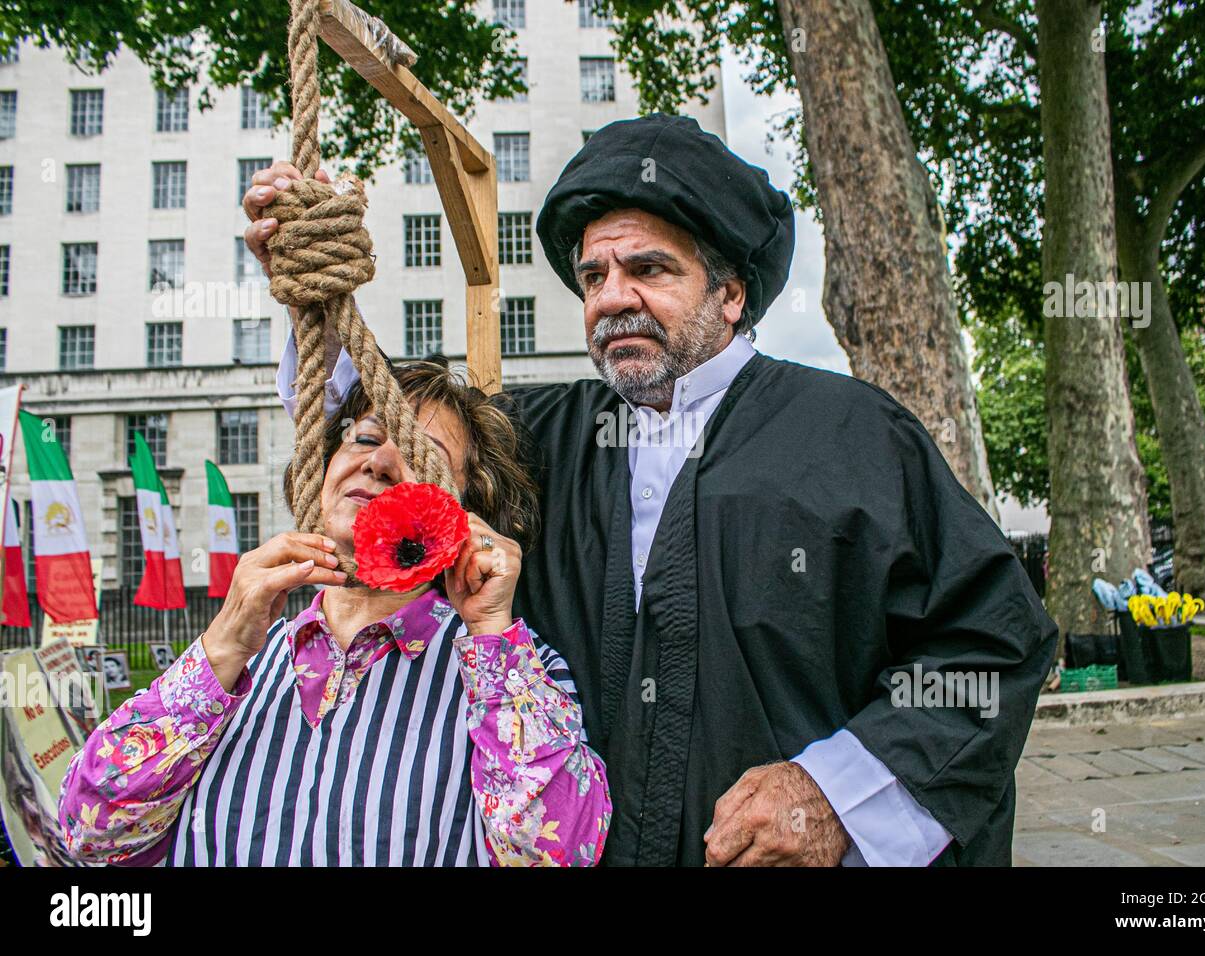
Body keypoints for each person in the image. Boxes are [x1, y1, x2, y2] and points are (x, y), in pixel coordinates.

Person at [259, 114, 1057, 866]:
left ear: (731, 295)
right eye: (594, 275)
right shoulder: (537, 436)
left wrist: (836, 797)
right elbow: (378, 437)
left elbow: (990, 646)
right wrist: (309, 282)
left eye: (648, 269)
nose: (611, 297)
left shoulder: (851, 434)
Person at [58, 360, 612, 866]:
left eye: (424, 457)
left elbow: (556, 852)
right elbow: (91, 834)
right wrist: (221, 647)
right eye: (363, 439)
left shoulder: (515, 672)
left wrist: (491, 632)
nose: (378, 462)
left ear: (469, 511)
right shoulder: (232, 669)